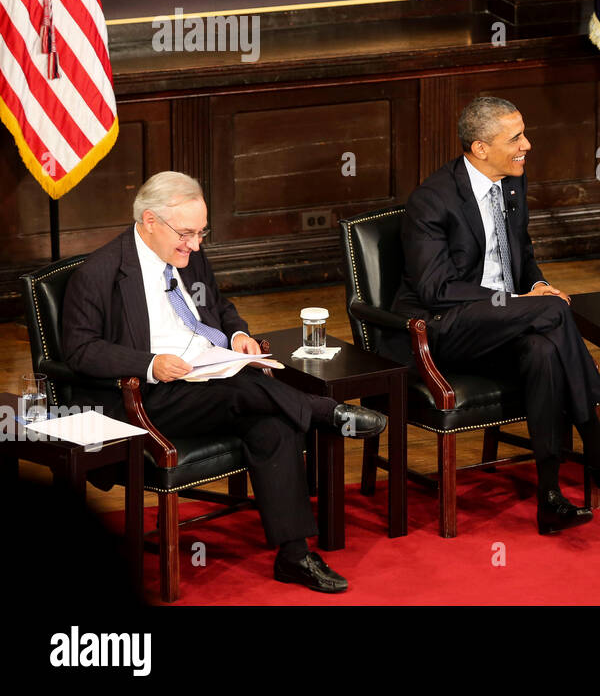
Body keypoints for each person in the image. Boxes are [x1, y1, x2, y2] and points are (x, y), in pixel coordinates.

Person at [62, 171, 387, 594]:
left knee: (271, 420)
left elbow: (218, 306)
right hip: (147, 398)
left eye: (201, 233)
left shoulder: (186, 254)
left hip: (211, 377)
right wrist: (150, 362)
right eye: (187, 234)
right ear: (149, 221)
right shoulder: (100, 273)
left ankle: (294, 554)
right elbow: (81, 350)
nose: (195, 245)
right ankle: (323, 411)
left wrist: (236, 335)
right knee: (248, 391)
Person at [387, 96, 600, 534]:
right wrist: (519, 302)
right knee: (553, 311)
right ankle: (599, 448)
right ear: (480, 148)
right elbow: (436, 290)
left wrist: (536, 284)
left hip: (501, 322)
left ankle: (550, 497)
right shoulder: (433, 200)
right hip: (440, 328)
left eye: (524, 133)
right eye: (515, 137)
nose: (527, 144)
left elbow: (521, 253)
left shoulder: (511, 183)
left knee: (544, 349)